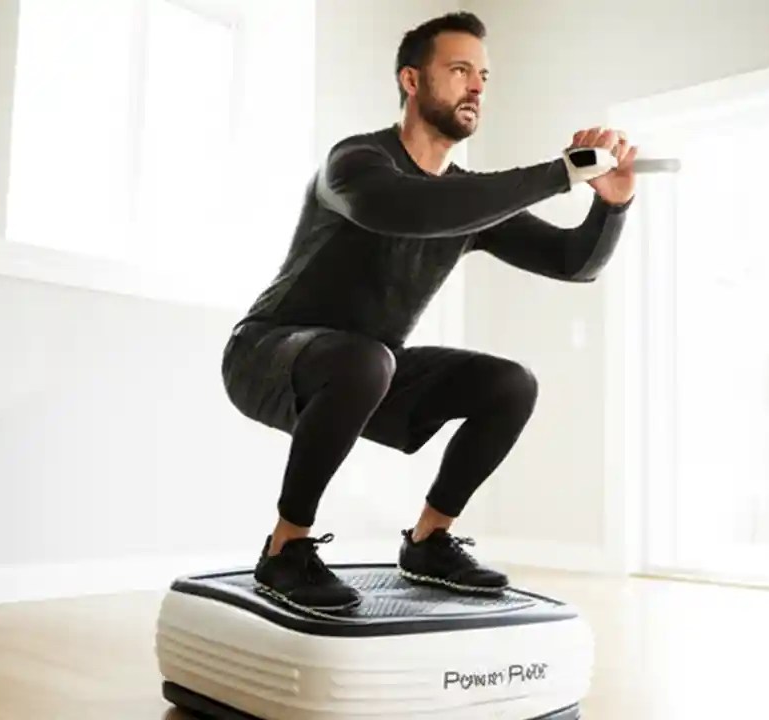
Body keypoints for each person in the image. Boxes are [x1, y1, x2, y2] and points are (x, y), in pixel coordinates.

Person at [220, 11, 637, 612]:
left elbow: (577, 262)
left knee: (508, 385)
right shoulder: (355, 163)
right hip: (265, 355)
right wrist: (560, 172)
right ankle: (285, 549)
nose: (476, 87)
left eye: (484, 77)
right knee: (366, 361)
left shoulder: (464, 199)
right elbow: (407, 210)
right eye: (460, 70)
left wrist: (613, 207)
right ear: (411, 81)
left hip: (368, 369)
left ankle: (429, 541)